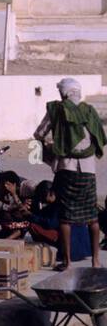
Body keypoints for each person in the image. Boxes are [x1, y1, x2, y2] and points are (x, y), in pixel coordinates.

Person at [33, 77, 105, 270]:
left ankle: (67, 261)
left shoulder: (56, 109)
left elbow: (39, 134)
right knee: (92, 217)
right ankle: (96, 260)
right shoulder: (89, 111)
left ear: (63, 93)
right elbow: (99, 137)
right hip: (88, 171)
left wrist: (50, 148)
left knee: (66, 217)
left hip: (67, 169)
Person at [28, 180, 93, 262]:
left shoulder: (60, 204)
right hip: (83, 249)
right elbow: (47, 211)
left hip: (72, 250)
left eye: (44, 199)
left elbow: (51, 223)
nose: (44, 202)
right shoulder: (64, 198)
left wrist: (32, 216)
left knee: (34, 226)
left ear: (50, 193)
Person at [0, 170, 33, 240]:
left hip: (11, 226)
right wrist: (11, 207)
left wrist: (14, 194)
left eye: (8, 184)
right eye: (4, 184)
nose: (5, 186)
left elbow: (23, 211)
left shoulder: (17, 193)